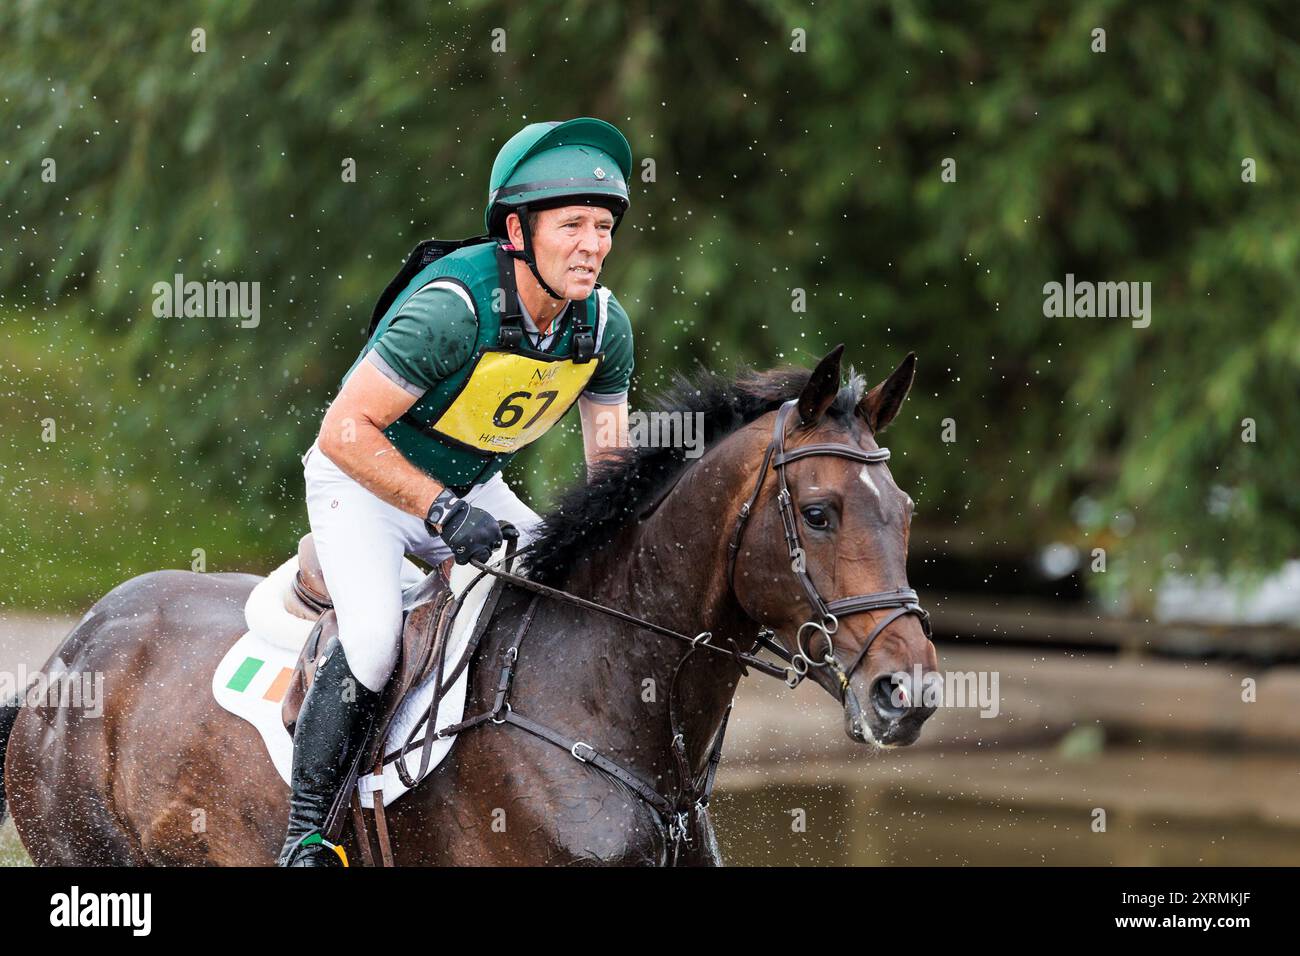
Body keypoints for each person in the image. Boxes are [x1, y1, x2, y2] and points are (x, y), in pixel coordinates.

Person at [279, 118, 635, 866]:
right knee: (375, 642)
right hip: (361, 484)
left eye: (602, 226)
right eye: (571, 225)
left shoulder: (603, 327)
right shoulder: (453, 308)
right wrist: (440, 511)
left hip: (474, 488)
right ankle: (304, 834)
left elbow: (611, 473)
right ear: (517, 230)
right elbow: (344, 430)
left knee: (572, 598)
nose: (593, 246)